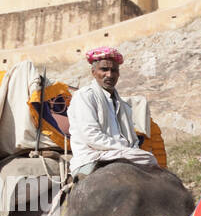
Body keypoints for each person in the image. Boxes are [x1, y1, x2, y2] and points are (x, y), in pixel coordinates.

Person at [67, 46, 158, 177]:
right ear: (93, 72)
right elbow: (91, 136)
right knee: (148, 159)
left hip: (120, 153)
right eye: (104, 69)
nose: (109, 75)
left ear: (118, 74)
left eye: (114, 70)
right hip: (91, 157)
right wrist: (124, 147)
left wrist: (130, 148)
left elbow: (132, 140)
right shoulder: (84, 96)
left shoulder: (123, 105)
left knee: (148, 160)